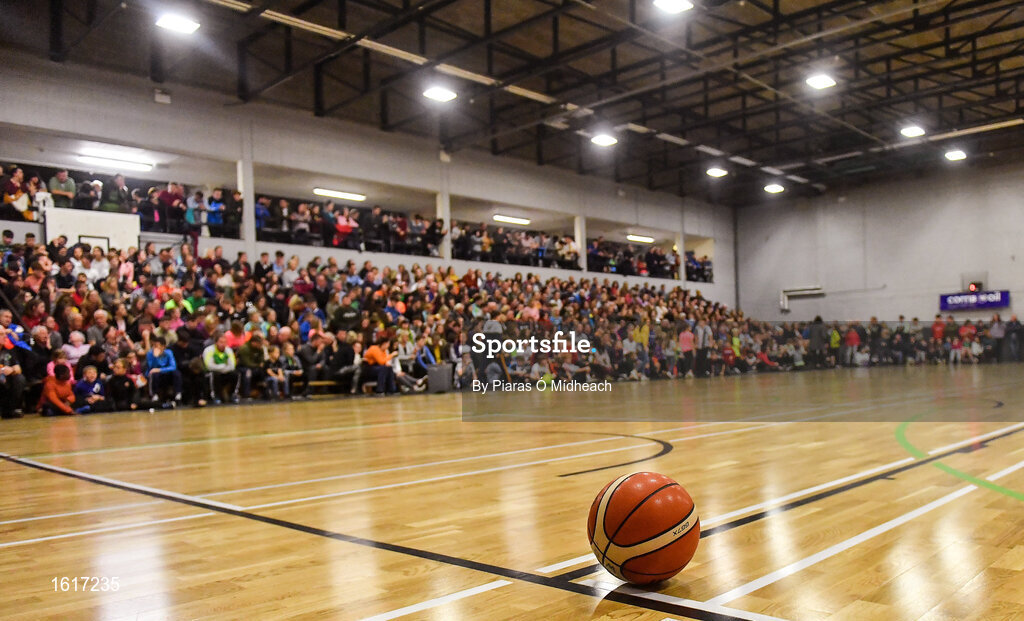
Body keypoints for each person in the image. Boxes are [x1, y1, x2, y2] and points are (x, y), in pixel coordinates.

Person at [203, 332, 239, 404]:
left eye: (225, 342)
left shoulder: (228, 350)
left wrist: (223, 369)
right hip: (213, 372)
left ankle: (232, 394)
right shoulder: (209, 350)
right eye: (221, 342)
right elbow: (209, 366)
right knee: (215, 374)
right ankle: (215, 396)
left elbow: (232, 366)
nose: (223, 344)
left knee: (235, 373)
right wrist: (222, 367)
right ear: (216, 342)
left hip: (225, 372)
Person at [146, 337, 182, 404]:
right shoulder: (150, 354)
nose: (154, 348)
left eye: (156, 346)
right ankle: (154, 395)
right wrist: (155, 357)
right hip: (155, 374)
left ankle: (178, 394)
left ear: (163, 347)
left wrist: (160, 370)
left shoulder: (169, 353)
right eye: (153, 346)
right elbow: (151, 367)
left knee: (176, 373)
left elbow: (173, 366)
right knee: (154, 375)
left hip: (165, 372)